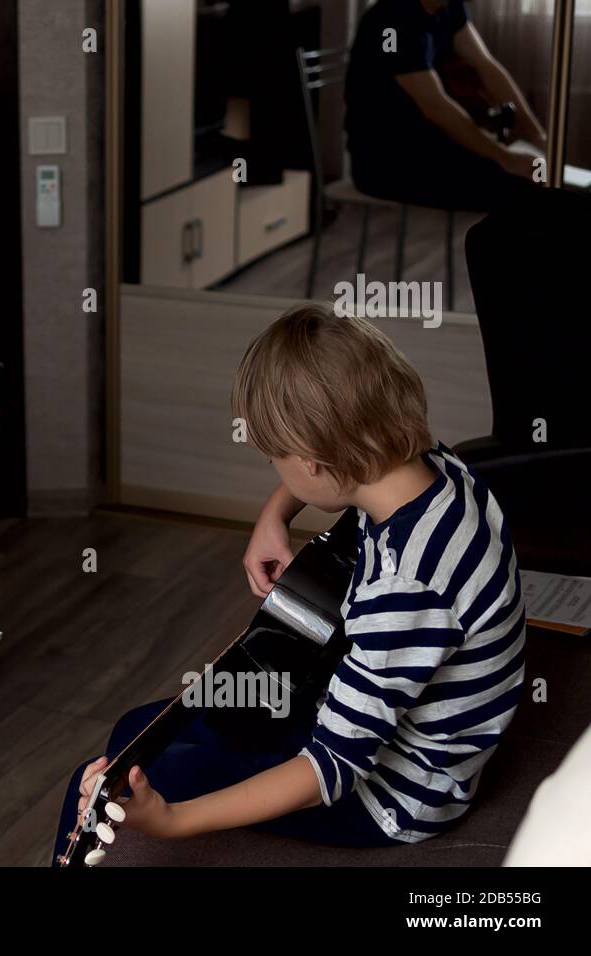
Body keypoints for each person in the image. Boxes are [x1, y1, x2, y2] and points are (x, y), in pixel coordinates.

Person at [51, 303, 526, 863]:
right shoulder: (437, 466)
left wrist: (173, 821)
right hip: (357, 704)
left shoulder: (406, 588)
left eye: (276, 460)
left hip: (394, 793)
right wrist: (276, 514)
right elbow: (336, 456)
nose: (278, 474)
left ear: (314, 462)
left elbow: (331, 768)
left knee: (117, 784)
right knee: (137, 730)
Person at [344, 0, 546, 211]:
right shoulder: (390, 23)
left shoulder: (448, 7)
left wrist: (536, 134)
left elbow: (487, 67)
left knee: (538, 175)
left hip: (430, 146)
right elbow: (436, 107)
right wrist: (504, 157)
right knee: (523, 186)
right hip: (384, 163)